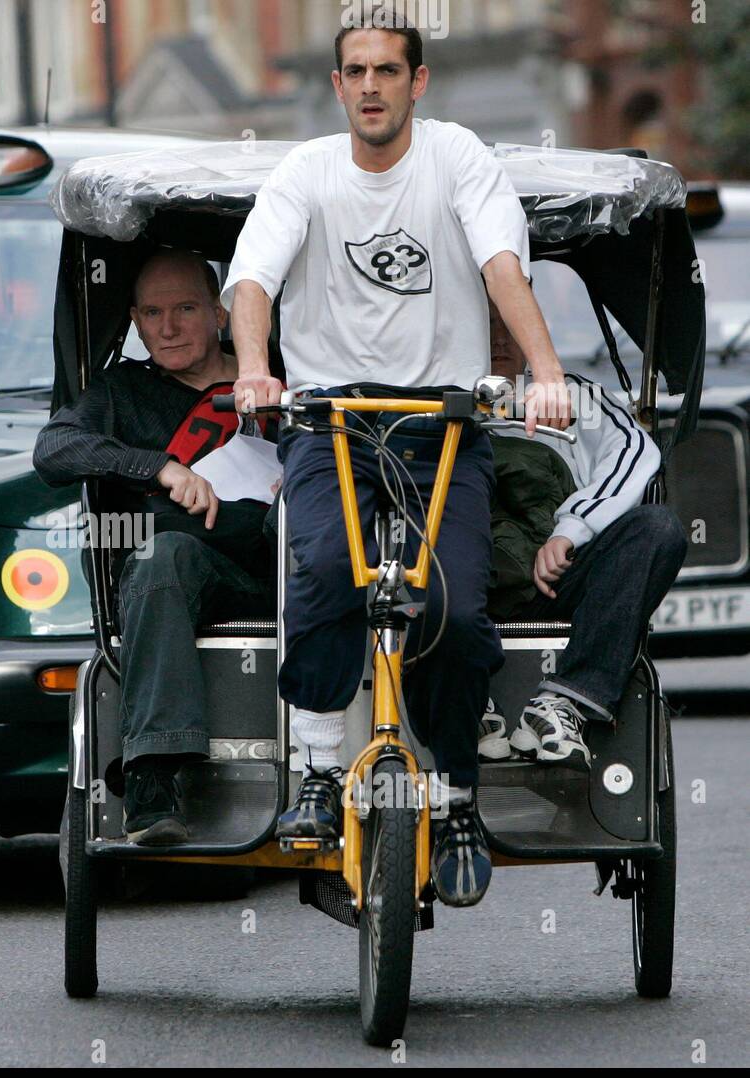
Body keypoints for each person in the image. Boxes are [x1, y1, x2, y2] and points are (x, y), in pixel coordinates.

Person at [221, 14, 573, 906]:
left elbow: (500, 263)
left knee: (451, 605)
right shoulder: (306, 171)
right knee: (330, 568)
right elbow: (253, 278)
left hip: (441, 427)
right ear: (336, 86)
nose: (369, 86)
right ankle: (314, 770)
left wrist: (544, 373)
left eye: (387, 70)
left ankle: (455, 795)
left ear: (419, 83)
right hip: (328, 423)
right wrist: (258, 371)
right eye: (354, 71)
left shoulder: (459, 159)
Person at [34, 250, 275, 845]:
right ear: (136, 322)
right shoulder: (124, 392)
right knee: (160, 550)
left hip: (287, 562)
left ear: (221, 313)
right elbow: (53, 451)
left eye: (185, 308)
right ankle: (154, 789)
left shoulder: (275, 382)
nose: (167, 327)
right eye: (152, 313)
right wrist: (160, 467)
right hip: (184, 576)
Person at [483, 314, 687, 768]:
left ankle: (565, 703)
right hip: (462, 587)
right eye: (485, 319)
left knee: (657, 528)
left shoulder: (570, 394)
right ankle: (466, 699)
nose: (499, 335)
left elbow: (636, 451)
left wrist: (570, 531)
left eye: (508, 321)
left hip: (555, 583)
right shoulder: (416, 399)